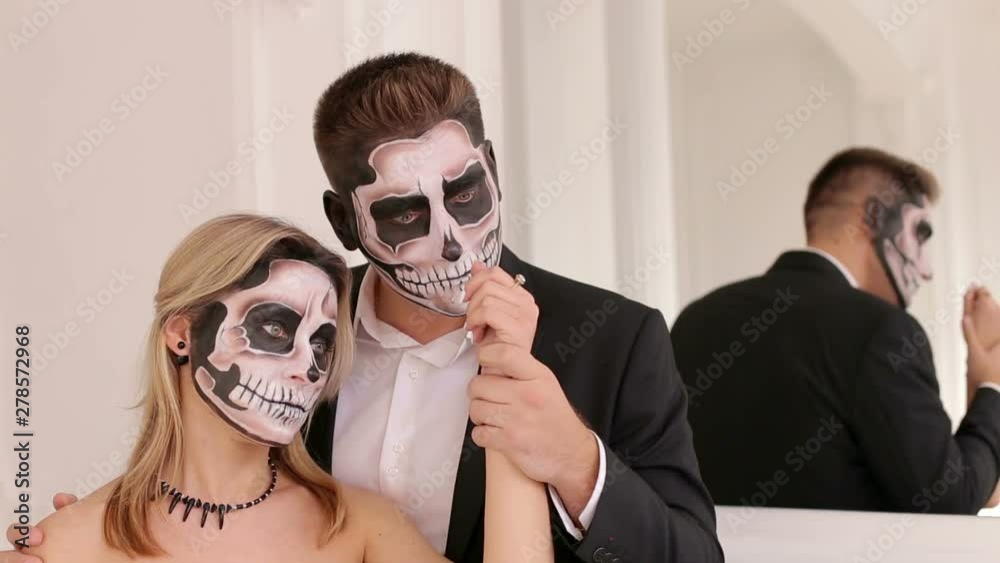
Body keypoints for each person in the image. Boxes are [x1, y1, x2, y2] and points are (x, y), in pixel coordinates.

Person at [7, 53, 722, 563]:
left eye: (465, 192)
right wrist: (106, 527)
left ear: (494, 171)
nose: (450, 238)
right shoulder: (301, 317)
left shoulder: (616, 339)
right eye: (404, 213)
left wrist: (573, 459)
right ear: (345, 222)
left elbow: (693, 556)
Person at [10, 214, 552, 562]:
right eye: (274, 328)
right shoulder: (72, 541)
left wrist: (506, 373)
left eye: (322, 345)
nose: (307, 369)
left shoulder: (358, 526)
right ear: (181, 335)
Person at [672, 147, 1000, 514]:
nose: (927, 271)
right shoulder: (882, 331)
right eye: (921, 234)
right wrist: (991, 385)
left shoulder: (695, 320)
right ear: (874, 216)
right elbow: (950, 498)